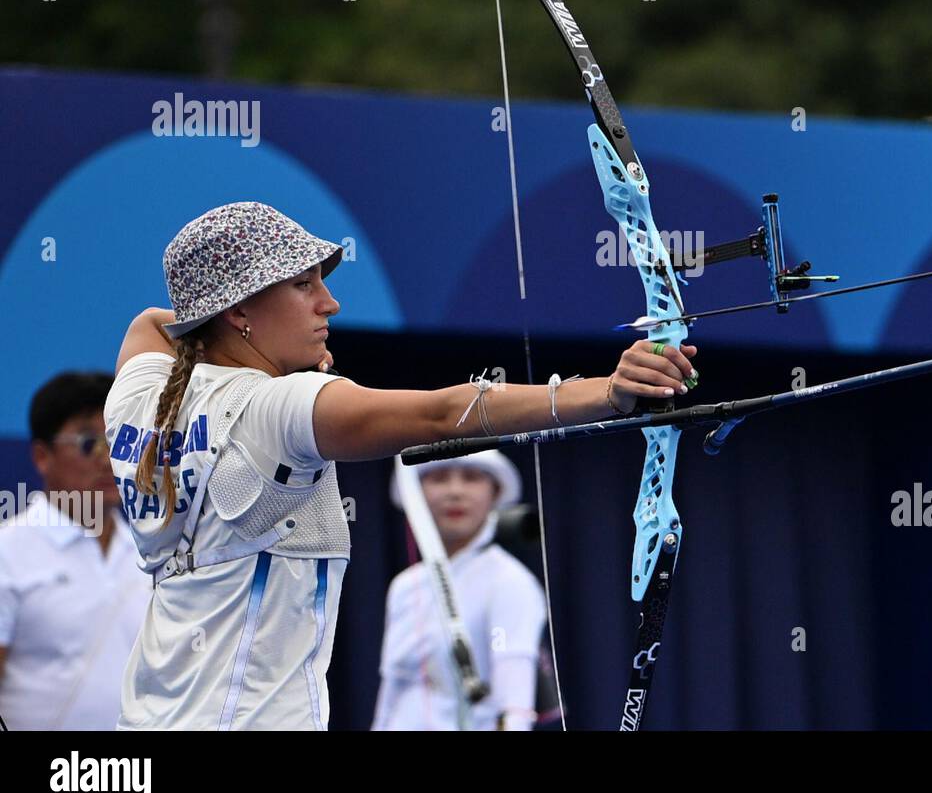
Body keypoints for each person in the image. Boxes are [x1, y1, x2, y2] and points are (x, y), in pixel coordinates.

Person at [106, 201, 696, 730]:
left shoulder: (140, 393)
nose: (328, 302)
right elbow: (444, 415)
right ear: (238, 311)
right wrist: (607, 392)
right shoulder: (277, 407)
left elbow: (153, 323)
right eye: (302, 285)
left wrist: (258, 345)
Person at [0, 372, 151, 730]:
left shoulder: (156, 556)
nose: (107, 460)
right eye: (88, 442)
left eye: (118, 440)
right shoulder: (7, 551)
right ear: (41, 456)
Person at [374, 450, 545, 730]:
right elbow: (392, 694)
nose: (455, 492)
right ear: (415, 494)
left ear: (495, 491)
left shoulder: (508, 582)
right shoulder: (405, 587)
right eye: (439, 478)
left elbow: (514, 706)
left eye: (471, 478)